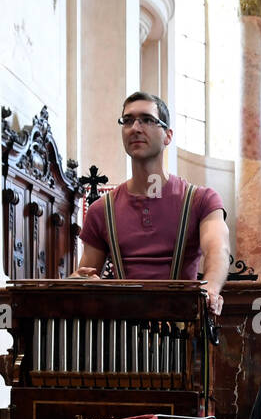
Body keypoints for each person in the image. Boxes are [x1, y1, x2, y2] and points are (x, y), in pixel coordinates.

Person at [73, 92, 230, 315]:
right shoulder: (101, 210)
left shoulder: (201, 200)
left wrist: (211, 290)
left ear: (168, 136)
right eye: (128, 120)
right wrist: (77, 281)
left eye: (147, 120)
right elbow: (85, 276)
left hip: (181, 325)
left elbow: (218, 249)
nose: (135, 128)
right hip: (124, 328)